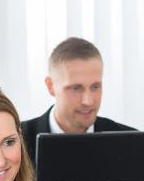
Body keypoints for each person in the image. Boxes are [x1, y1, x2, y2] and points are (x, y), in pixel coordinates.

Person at [20, 37, 135, 166]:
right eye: (76, 88)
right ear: (51, 86)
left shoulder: (132, 144)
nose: (88, 101)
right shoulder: (18, 143)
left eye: (95, 87)